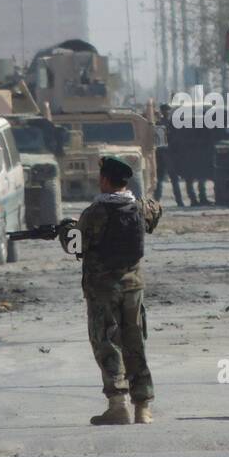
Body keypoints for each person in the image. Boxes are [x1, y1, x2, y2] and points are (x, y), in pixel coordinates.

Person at [65, 156, 162, 425]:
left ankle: (117, 404)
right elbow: (155, 213)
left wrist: (66, 229)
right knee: (135, 342)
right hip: (134, 287)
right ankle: (143, 406)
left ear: (106, 180)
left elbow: (76, 247)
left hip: (102, 289)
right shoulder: (139, 207)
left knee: (107, 342)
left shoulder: (95, 212)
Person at [154, 103, 184, 207]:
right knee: (162, 180)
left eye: (168, 110)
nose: (167, 112)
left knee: (172, 180)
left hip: (169, 153)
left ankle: (179, 202)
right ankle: (156, 202)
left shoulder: (171, 123)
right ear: (163, 111)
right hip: (164, 154)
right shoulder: (160, 123)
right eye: (166, 110)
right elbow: (160, 141)